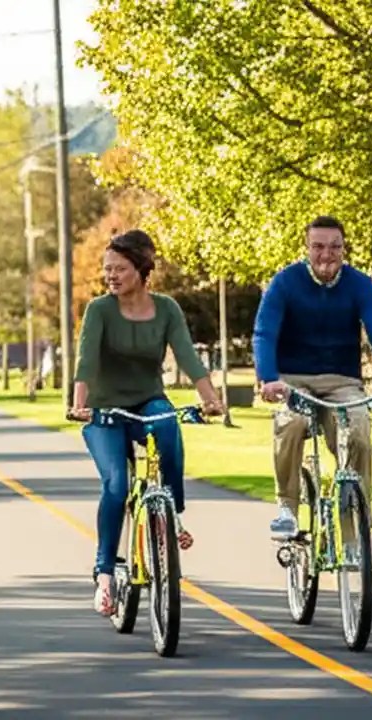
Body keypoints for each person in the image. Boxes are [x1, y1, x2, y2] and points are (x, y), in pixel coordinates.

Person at [69, 229, 224, 616]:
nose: (111, 275)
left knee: (167, 425)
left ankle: (172, 515)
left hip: (146, 401)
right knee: (117, 485)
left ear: (141, 269)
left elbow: (187, 356)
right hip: (103, 411)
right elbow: (86, 360)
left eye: (120, 268)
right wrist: (79, 405)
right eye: (107, 269)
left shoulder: (167, 309)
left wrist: (210, 397)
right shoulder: (100, 310)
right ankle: (104, 575)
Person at [252, 215, 372, 540]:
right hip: (292, 380)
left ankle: (355, 513)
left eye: (335, 247)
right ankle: (287, 507)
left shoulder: (359, 284)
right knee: (291, 423)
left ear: (344, 248)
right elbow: (264, 333)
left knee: (357, 429)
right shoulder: (285, 282)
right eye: (318, 247)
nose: (327, 254)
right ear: (307, 248)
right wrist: (268, 377)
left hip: (342, 382)